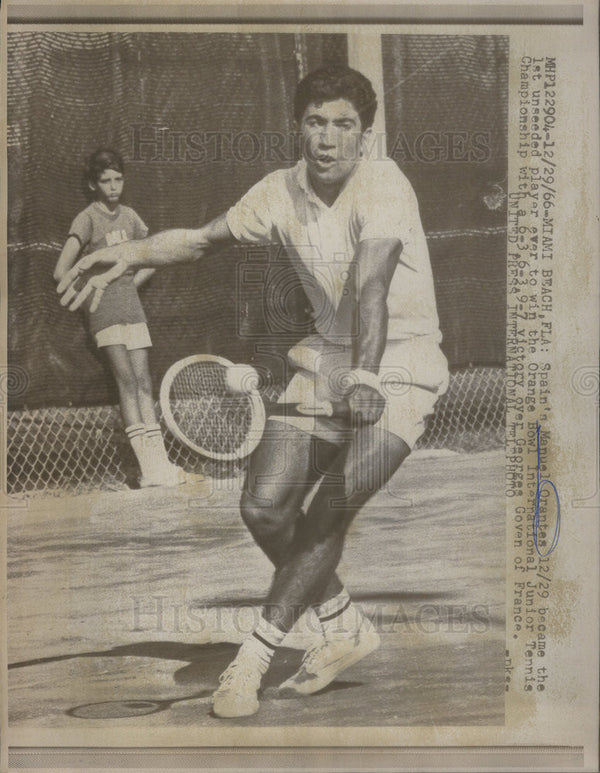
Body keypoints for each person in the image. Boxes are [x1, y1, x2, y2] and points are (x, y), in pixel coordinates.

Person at [57, 66, 449, 717]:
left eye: (343, 124)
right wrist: (133, 255)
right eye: (316, 122)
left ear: (365, 133)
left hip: (400, 366)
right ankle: (344, 623)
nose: (327, 138)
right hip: (324, 359)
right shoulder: (276, 193)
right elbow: (203, 240)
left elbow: (372, 287)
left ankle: (253, 658)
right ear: (298, 126)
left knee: (331, 502)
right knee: (265, 506)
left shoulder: (385, 183)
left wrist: (368, 378)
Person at [54, 148, 186, 488]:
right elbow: (60, 271)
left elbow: (152, 257)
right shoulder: (87, 218)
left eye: (117, 179)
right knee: (127, 383)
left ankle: (160, 468)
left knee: (144, 384)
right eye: (105, 180)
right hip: (104, 312)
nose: (113, 186)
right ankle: (148, 470)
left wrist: (126, 282)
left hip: (132, 308)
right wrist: (90, 293)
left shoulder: (130, 217)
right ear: (93, 184)